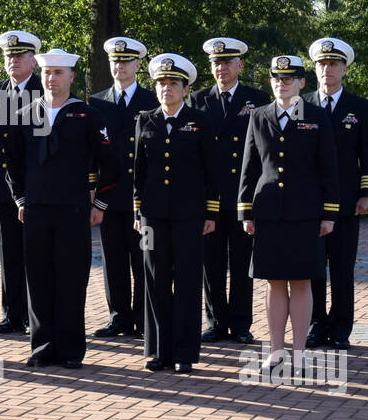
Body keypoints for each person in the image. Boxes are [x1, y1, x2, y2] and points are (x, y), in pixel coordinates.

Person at [4, 47, 118, 369]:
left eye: (57, 73)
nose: (51, 79)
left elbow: (110, 162)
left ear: (70, 77)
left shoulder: (86, 114)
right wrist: (21, 199)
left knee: (70, 279)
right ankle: (42, 348)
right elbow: (10, 159)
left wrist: (100, 203)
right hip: (37, 210)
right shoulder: (26, 113)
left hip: (73, 211)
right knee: (38, 280)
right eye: (46, 73)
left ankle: (69, 350)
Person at [238, 55, 340, 374]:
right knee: (273, 281)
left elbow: (329, 169)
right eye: (276, 79)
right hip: (268, 211)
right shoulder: (259, 116)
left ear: (301, 83)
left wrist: (329, 213)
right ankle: (276, 350)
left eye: (288, 79)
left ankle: (299, 353)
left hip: (304, 212)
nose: (281, 84)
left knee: (300, 281)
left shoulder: (317, 117)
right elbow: (249, 166)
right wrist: (245, 211)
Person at [133, 54, 219, 373]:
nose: (166, 89)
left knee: (186, 280)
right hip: (152, 216)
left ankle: (184, 353)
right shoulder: (146, 119)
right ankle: (159, 350)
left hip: (189, 215)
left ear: (185, 89)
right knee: (155, 280)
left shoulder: (200, 121)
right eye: (161, 83)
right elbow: (138, 172)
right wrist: (137, 212)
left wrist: (211, 212)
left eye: (173, 84)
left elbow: (212, 170)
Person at [190, 37, 270, 344]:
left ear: (239, 65)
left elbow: (264, 150)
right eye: (215, 63)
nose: (221, 68)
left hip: (243, 196)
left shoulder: (257, 99)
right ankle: (214, 322)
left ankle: (240, 324)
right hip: (210, 197)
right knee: (210, 265)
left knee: (241, 263)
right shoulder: (198, 99)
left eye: (226, 63)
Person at [304, 37, 368, 350]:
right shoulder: (301, 104)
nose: (326, 69)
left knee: (343, 268)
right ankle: (316, 326)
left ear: (345, 68)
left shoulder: (360, 107)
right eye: (322, 63)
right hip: (309, 200)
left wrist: (367, 193)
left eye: (333, 63)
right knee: (313, 267)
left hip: (347, 202)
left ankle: (341, 328)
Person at [88, 37, 158, 339]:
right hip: (108, 196)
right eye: (115, 61)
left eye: (126, 61)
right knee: (112, 261)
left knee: (143, 259)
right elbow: (91, 152)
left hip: (140, 196)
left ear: (137, 65)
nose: (120, 66)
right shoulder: (97, 102)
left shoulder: (151, 102)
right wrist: (92, 192)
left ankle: (143, 319)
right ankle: (119, 317)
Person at [0, 30, 43, 334]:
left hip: (34, 188)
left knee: (34, 252)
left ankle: (37, 314)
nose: (13, 60)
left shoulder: (43, 89)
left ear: (32, 60)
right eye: (9, 56)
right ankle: (12, 314)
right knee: (8, 253)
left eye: (19, 55)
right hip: (3, 187)